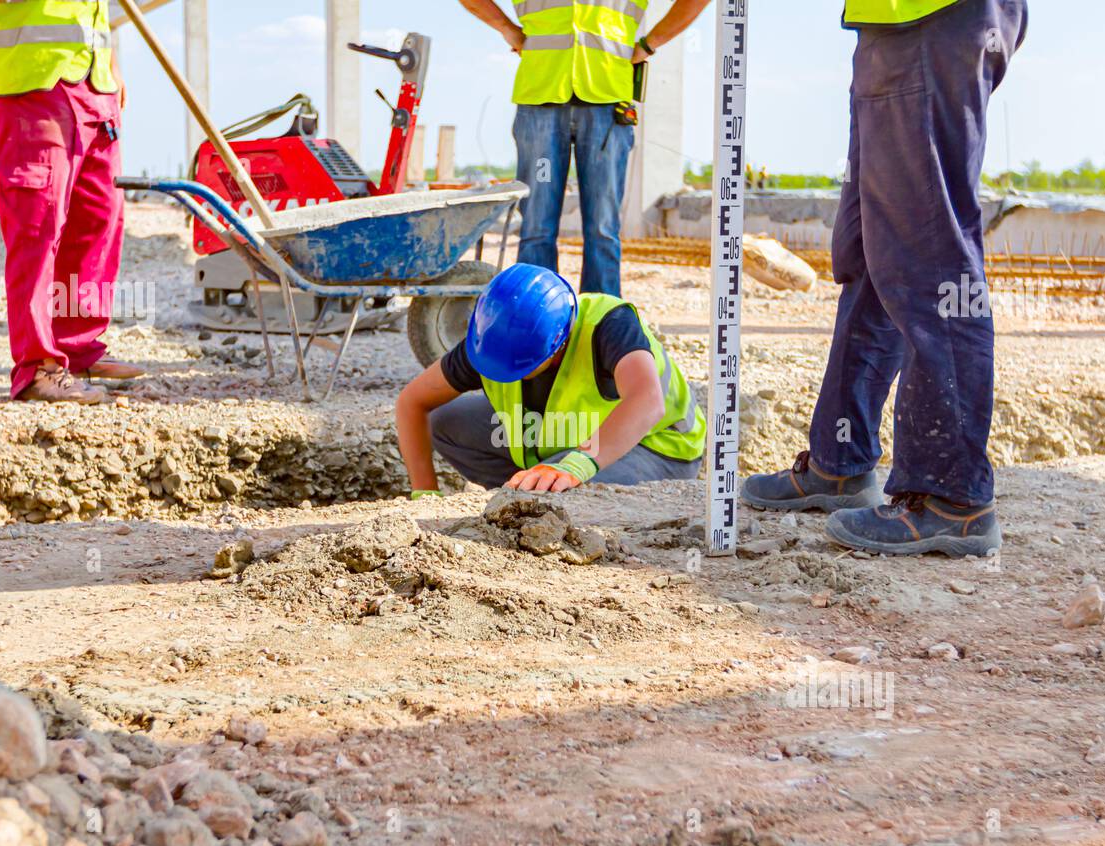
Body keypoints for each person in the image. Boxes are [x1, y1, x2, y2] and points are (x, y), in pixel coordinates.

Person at [742, 0, 1027, 558]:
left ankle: (952, 497)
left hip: (936, 18)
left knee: (931, 256)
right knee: (873, 251)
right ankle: (840, 460)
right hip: (891, 25)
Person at [457, 0, 710, 297]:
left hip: (607, 104)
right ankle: (538, 324)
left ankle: (601, 325)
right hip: (541, 102)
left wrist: (651, 43)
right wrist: (507, 28)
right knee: (536, 227)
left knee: (602, 229)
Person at [396, 263, 705, 496]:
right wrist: (425, 493)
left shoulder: (608, 324)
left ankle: (538, 490)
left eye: (518, 367)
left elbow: (648, 400)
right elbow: (413, 402)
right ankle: (526, 486)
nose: (497, 373)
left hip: (657, 445)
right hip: (566, 436)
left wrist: (575, 465)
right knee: (447, 422)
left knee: (550, 498)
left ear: (558, 347)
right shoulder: (490, 341)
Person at [0, 0, 143, 404]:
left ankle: (77, 347)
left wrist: (111, 64)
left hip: (92, 83)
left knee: (99, 217)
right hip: (33, 83)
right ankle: (37, 367)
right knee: (37, 223)